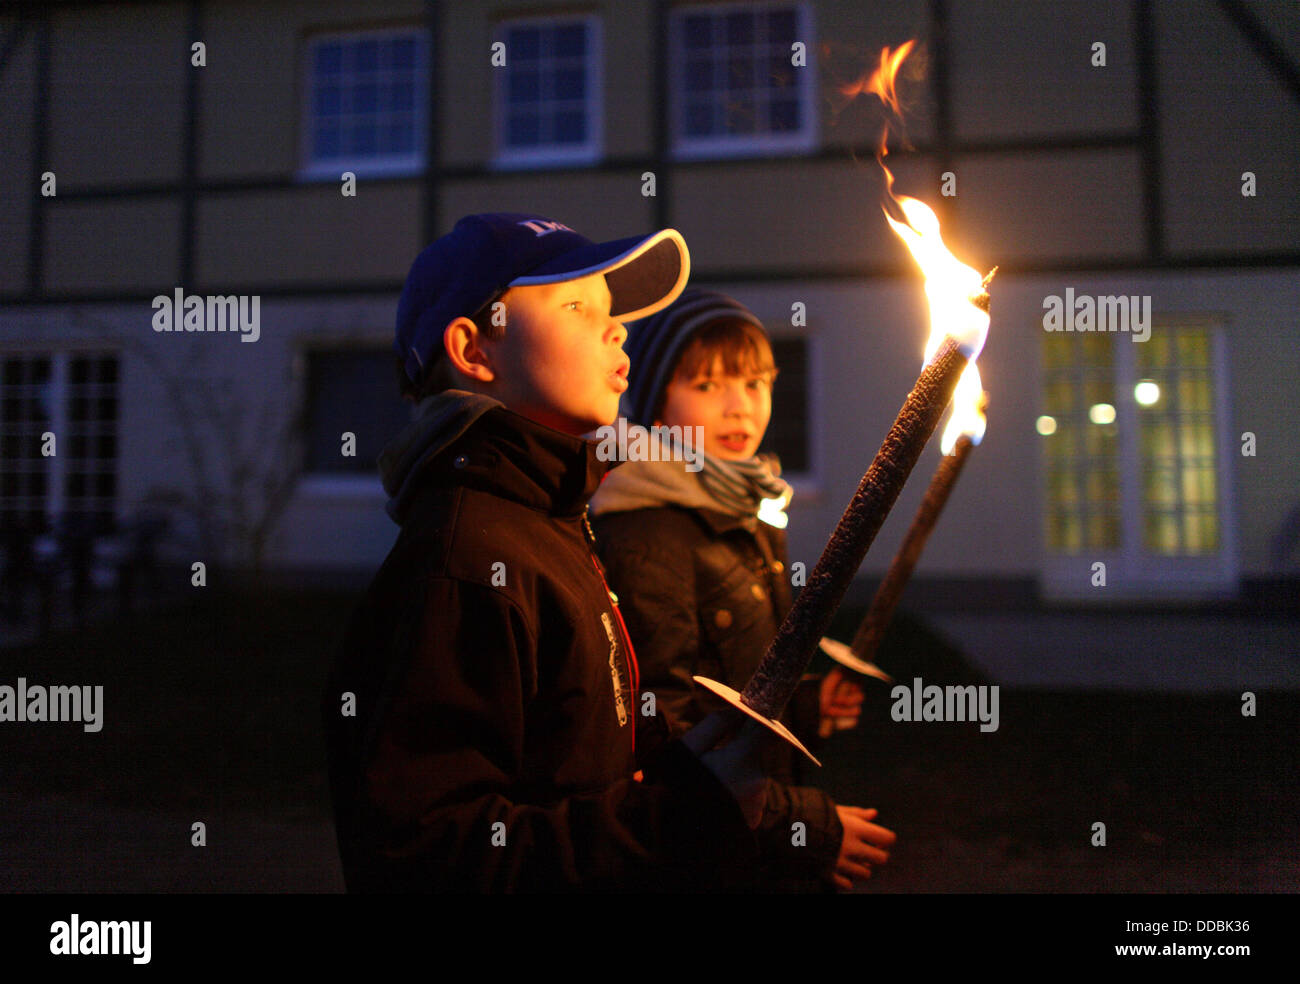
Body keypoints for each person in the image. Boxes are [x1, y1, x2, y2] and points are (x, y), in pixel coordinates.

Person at [322, 214, 776, 893]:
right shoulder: (464, 559)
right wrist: (667, 826)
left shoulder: (550, 519)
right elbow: (426, 856)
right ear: (476, 352)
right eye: (575, 305)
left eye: (613, 311)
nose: (617, 327)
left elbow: (576, 761)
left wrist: (684, 772)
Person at [589, 288, 896, 892]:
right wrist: (798, 825)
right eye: (706, 386)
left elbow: (732, 684)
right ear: (654, 399)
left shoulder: (741, 505)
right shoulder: (649, 529)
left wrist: (804, 704)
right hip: (710, 850)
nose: (739, 407)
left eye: (755, 383)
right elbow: (664, 735)